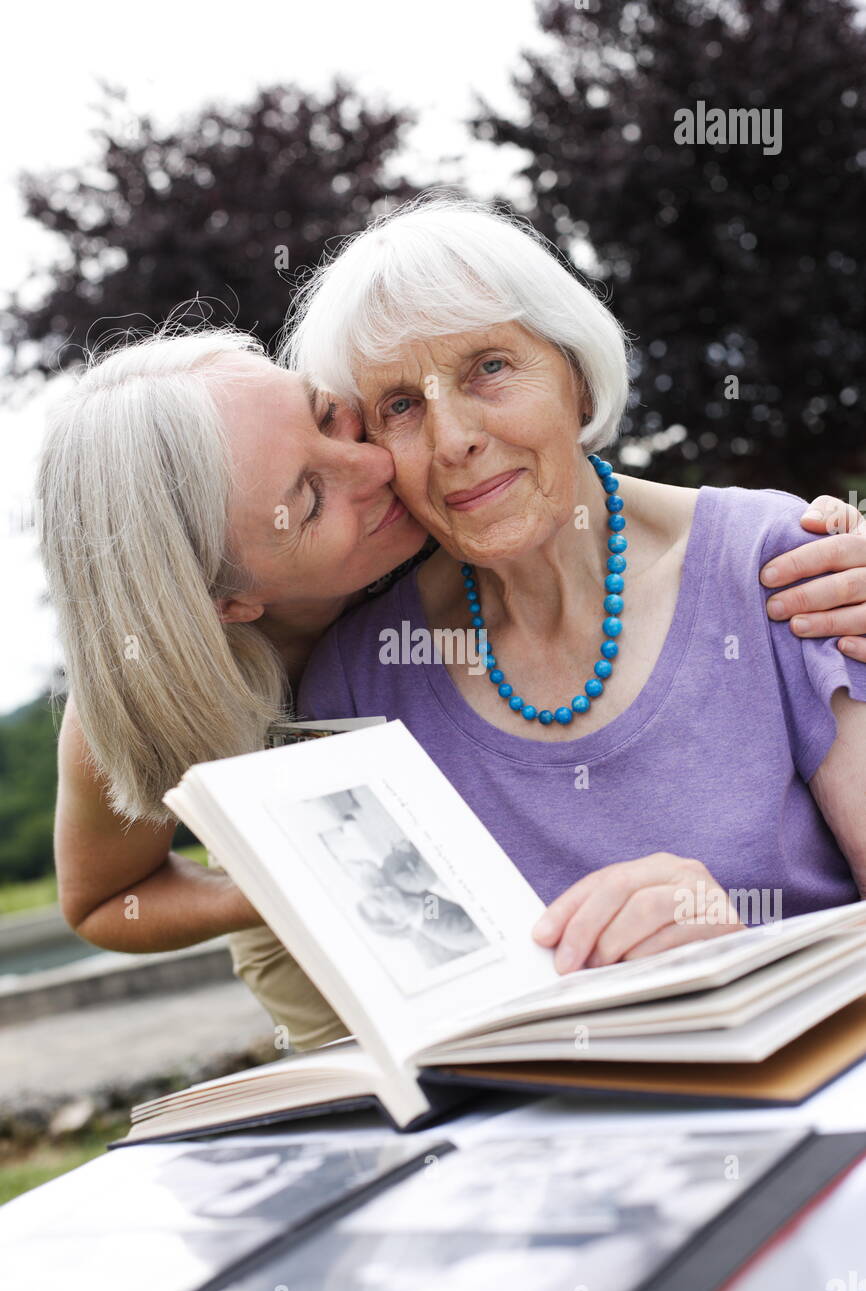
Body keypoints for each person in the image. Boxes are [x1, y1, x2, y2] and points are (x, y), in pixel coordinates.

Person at [39, 221, 866, 1050]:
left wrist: (788, 536)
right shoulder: (278, 677)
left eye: (336, 417)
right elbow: (106, 899)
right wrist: (313, 874)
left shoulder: (779, 571)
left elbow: (593, 507)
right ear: (230, 599)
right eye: (395, 408)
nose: (395, 460)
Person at [290, 196, 866, 980]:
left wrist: (748, 959)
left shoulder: (781, 566)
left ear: (577, 379)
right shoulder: (359, 679)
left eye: (488, 368)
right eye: (400, 406)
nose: (454, 437)